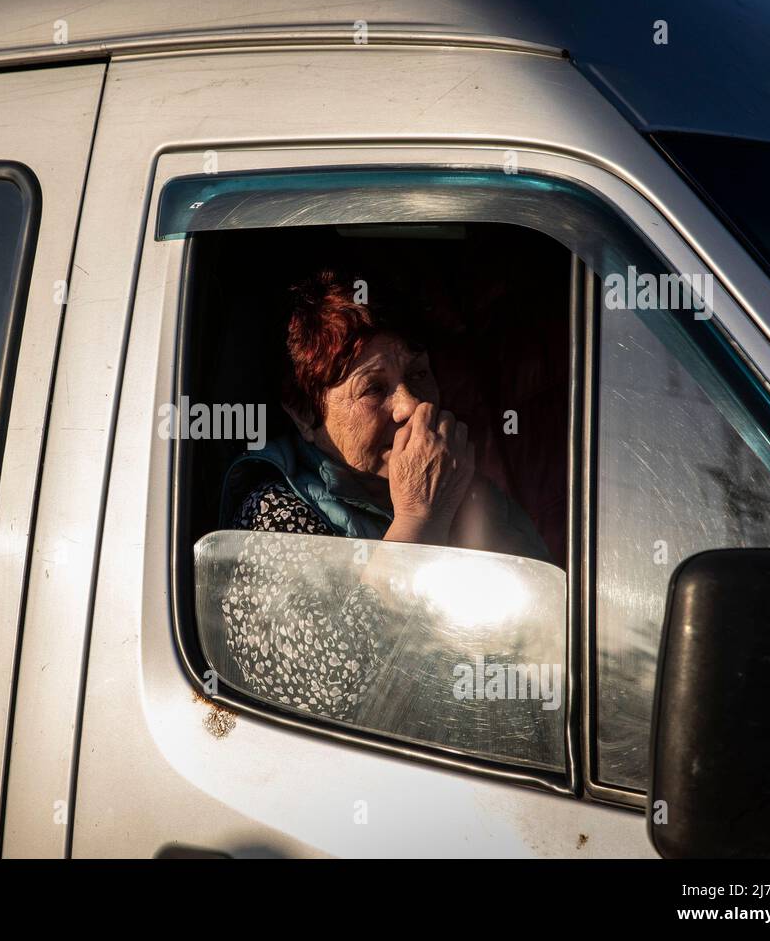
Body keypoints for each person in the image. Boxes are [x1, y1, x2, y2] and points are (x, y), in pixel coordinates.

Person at [213, 268, 549, 722]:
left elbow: (546, 645)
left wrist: (474, 511)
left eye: (419, 372)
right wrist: (417, 518)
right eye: (374, 387)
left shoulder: (461, 489)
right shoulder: (275, 515)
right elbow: (331, 690)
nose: (411, 405)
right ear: (304, 413)